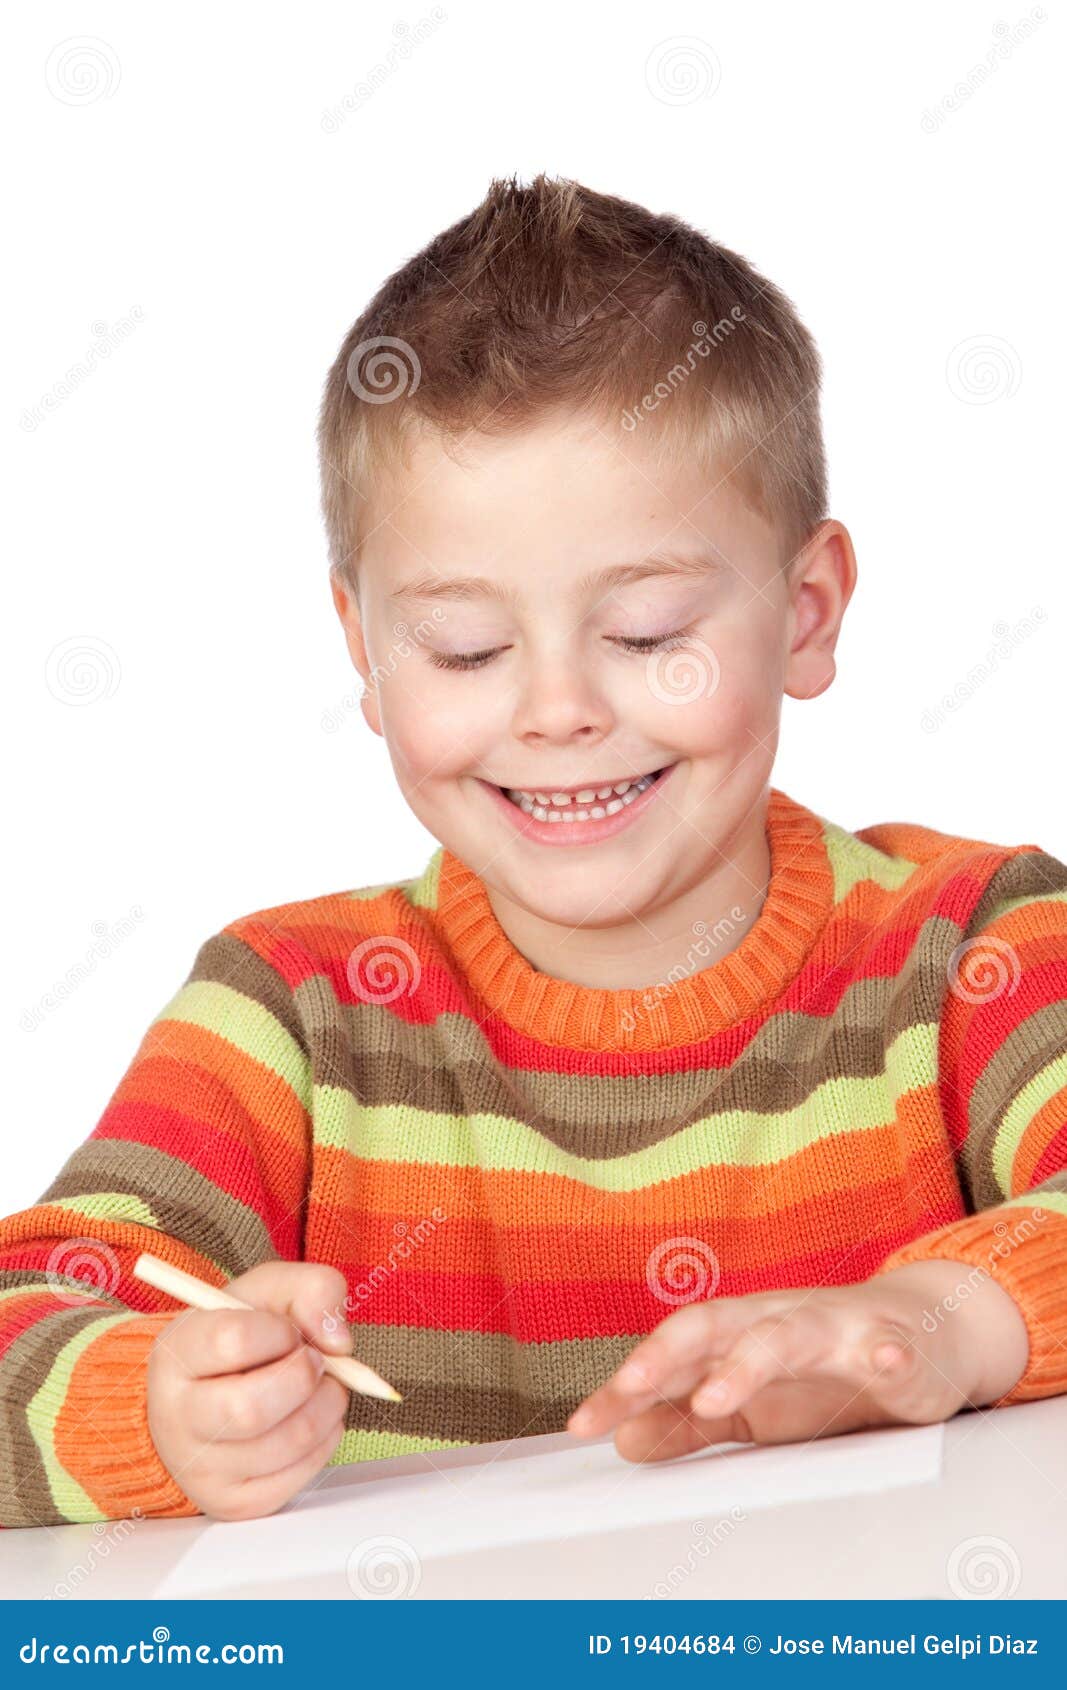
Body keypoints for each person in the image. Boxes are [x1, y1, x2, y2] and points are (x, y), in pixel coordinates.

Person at [2, 174, 1064, 1529]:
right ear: (367, 656)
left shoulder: (973, 942)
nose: (559, 707)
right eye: (468, 648)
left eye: (646, 630)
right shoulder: (293, 1008)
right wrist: (151, 1404)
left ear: (804, 613)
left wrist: (937, 1323)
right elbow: (32, 1309)